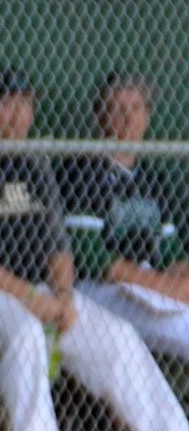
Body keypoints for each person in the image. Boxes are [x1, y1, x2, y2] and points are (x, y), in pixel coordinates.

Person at [0, 69, 189, 431]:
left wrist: (63, 294)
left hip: (37, 291)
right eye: (6, 104)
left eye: (25, 104)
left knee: (117, 338)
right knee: (23, 330)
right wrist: (30, 296)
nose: (18, 115)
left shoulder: (35, 161)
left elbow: (59, 246)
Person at [59, 72, 189, 363]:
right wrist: (166, 286)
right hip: (100, 289)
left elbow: (169, 250)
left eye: (136, 108)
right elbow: (91, 257)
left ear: (147, 115)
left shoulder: (153, 177)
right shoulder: (82, 170)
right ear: (99, 117)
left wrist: (183, 279)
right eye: (117, 109)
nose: (128, 119)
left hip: (149, 287)